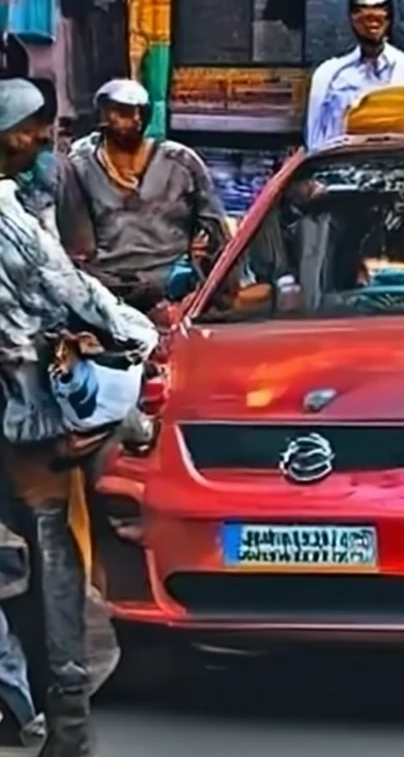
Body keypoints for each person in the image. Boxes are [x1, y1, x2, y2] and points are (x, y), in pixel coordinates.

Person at [0, 78, 157, 756]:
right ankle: (67, 725)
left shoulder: (25, 202)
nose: (40, 139)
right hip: (27, 414)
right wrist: (143, 339)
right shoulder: (9, 217)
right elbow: (73, 291)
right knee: (55, 559)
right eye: (30, 127)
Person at [57, 80, 230, 312]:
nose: (136, 119)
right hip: (106, 291)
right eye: (125, 112)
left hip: (172, 287)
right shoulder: (79, 165)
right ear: (104, 116)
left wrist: (204, 259)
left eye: (142, 112)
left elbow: (214, 228)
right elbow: (74, 241)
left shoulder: (181, 162)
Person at [305, 0, 404, 151]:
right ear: (352, 19)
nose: (371, 22)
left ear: (388, 19)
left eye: (379, 13)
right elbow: (314, 135)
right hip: (342, 167)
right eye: (363, 14)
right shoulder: (329, 74)